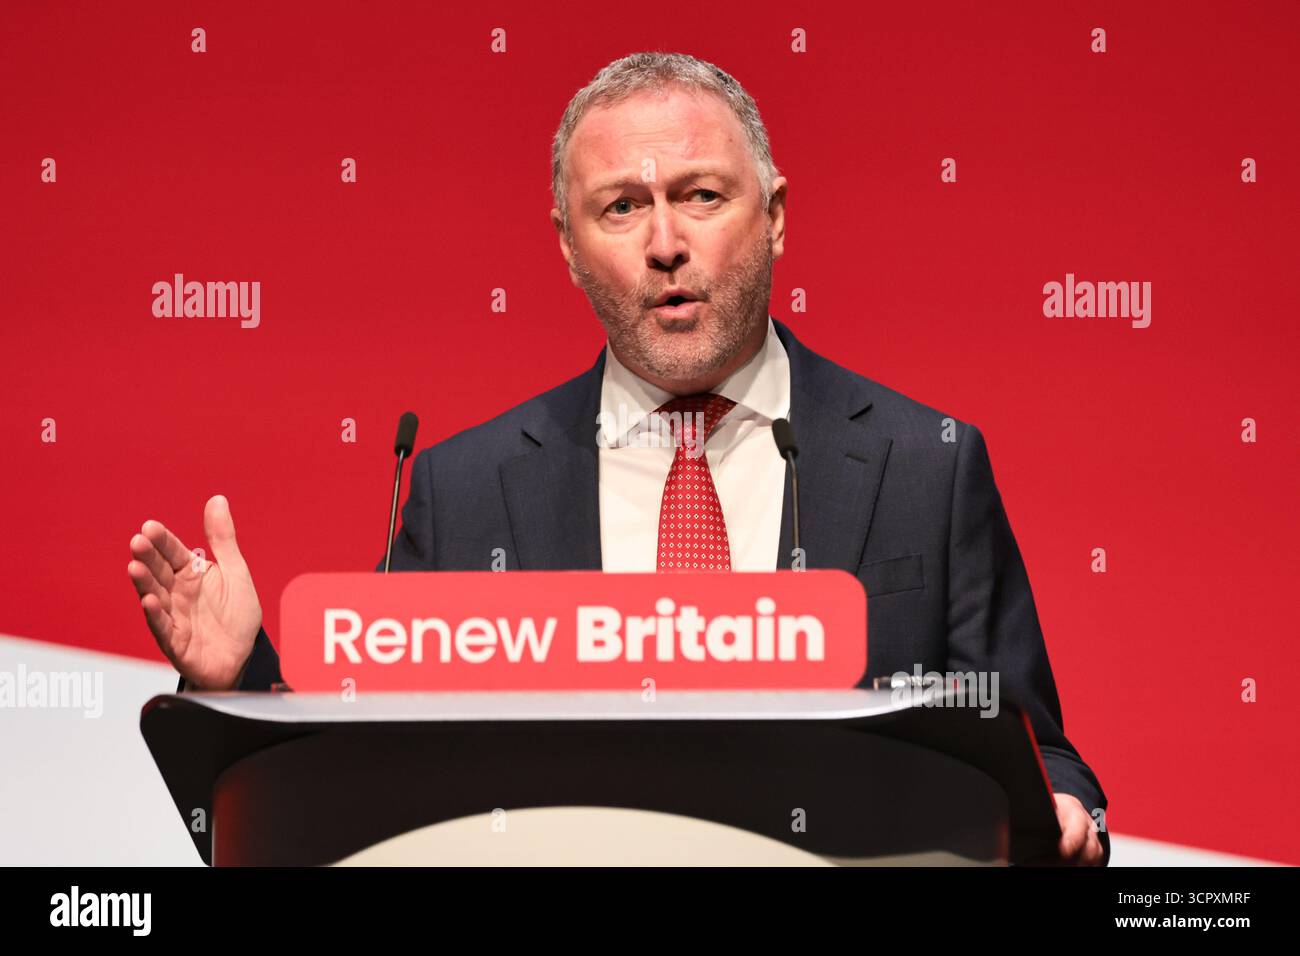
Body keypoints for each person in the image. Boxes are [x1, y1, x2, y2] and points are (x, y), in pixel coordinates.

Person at [126, 52, 1108, 865]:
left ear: (772, 214)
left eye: (701, 195)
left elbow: (1037, 749)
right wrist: (245, 681)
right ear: (566, 244)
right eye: (621, 209)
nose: (666, 243)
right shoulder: (467, 491)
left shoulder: (923, 464)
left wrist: (1068, 813)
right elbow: (364, 757)